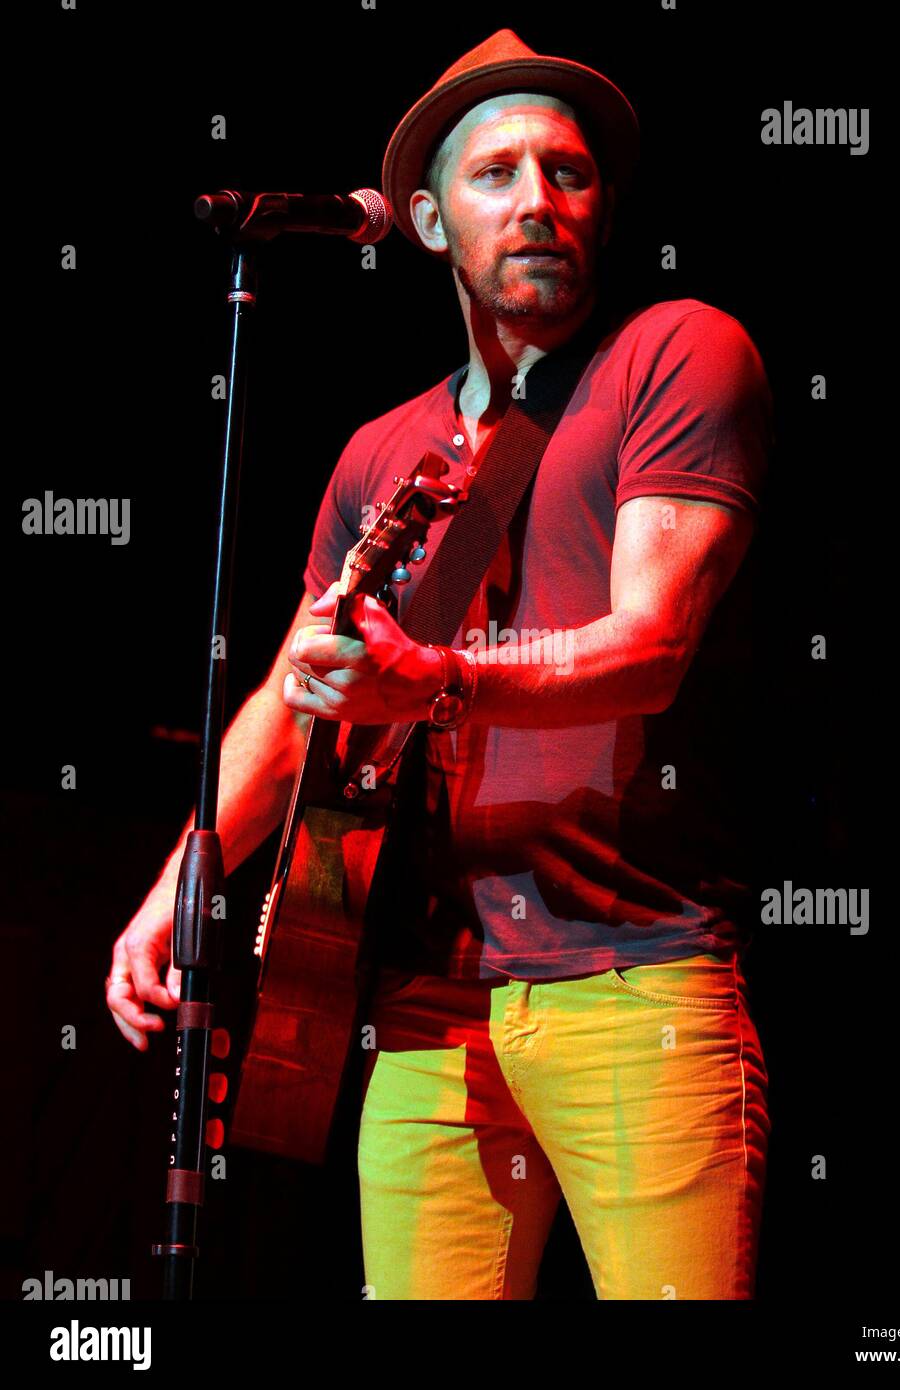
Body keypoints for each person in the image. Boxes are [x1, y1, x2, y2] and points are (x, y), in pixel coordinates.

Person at [107, 30, 774, 1300]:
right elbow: (289, 694)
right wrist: (182, 881)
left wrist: (434, 679)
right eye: (496, 174)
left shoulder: (675, 353)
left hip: (635, 981)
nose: (537, 200)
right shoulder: (379, 450)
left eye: (568, 174)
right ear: (423, 219)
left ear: (604, 206)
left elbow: (651, 644)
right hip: (426, 1004)